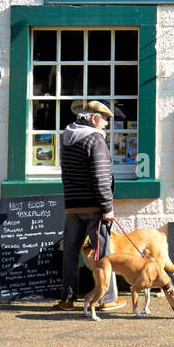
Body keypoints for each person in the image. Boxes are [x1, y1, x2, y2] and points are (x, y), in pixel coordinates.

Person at [53, 99, 123, 312]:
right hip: (94, 206)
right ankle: (108, 298)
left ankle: (67, 298)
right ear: (94, 119)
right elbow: (101, 177)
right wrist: (107, 207)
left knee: (71, 252)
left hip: (73, 204)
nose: (106, 125)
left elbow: (67, 172)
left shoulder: (67, 138)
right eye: (104, 120)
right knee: (103, 254)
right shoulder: (95, 139)